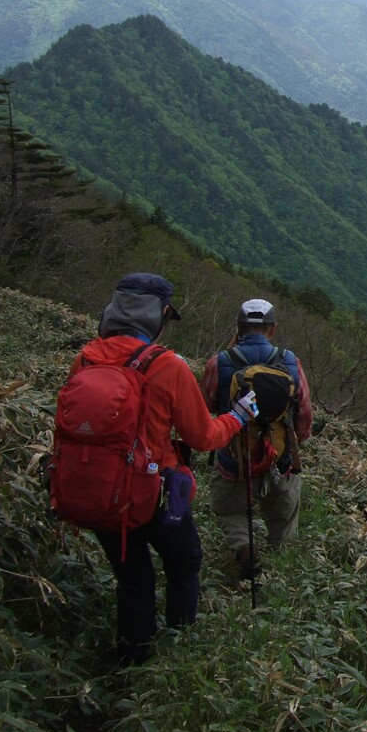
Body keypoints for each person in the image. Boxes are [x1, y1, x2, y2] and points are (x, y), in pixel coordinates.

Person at [69, 272, 253, 666]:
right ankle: (178, 649)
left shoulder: (86, 358)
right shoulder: (166, 366)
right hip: (154, 493)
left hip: (101, 490)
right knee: (185, 562)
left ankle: (134, 658)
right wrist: (237, 418)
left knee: (132, 579)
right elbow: (203, 436)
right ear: (161, 315)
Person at [200, 298, 313, 579]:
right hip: (279, 457)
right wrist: (297, 439)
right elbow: (304, 413)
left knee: (230, 511)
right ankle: (277, 572)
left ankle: (244, 547)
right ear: (272, 329)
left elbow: (206, 405)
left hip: (235, 458)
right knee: (283, 520)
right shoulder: (290, 361)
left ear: (238, 328)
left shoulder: (220, 362)